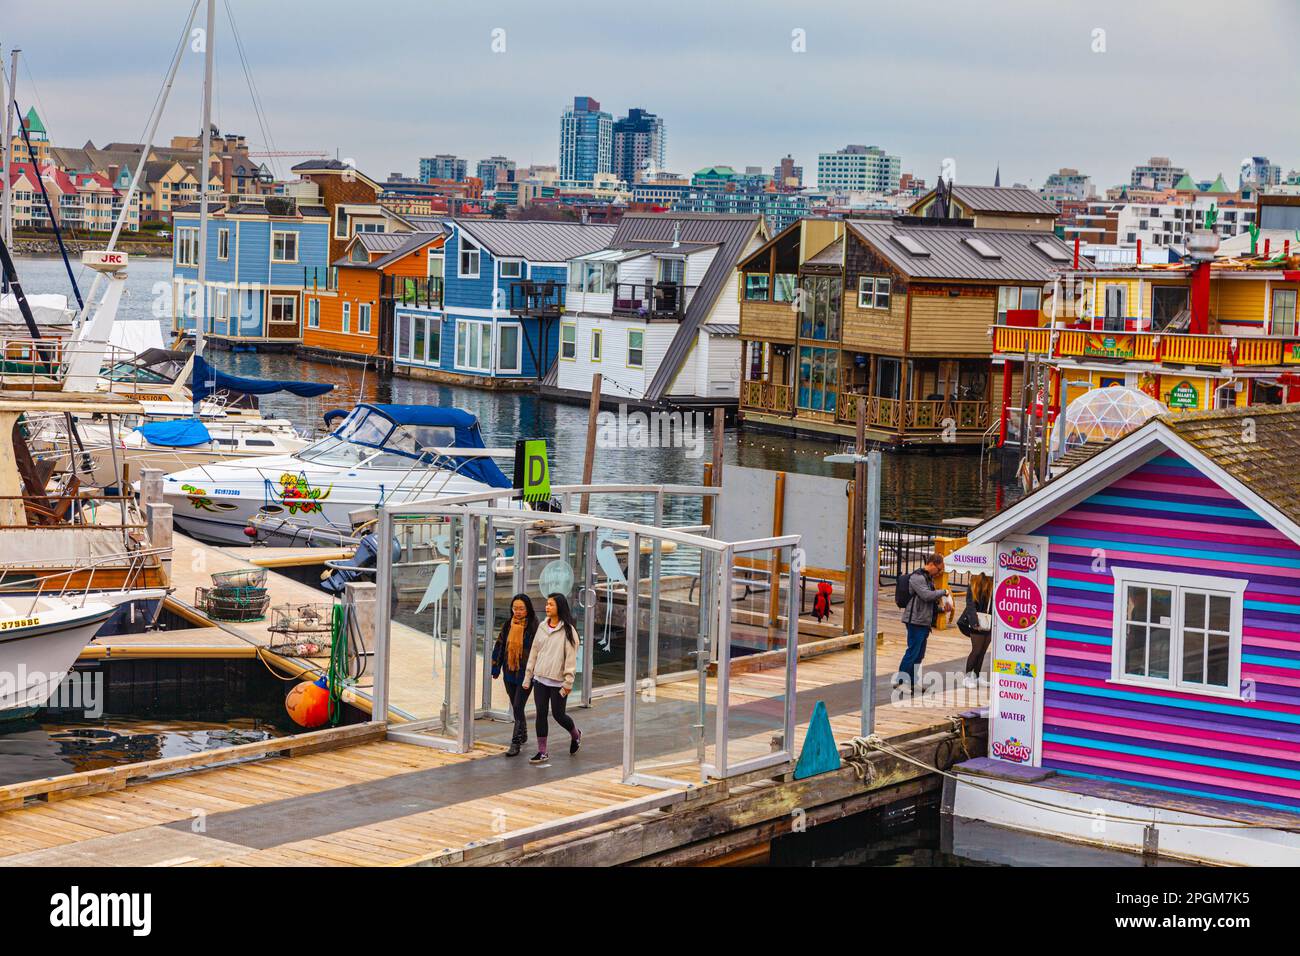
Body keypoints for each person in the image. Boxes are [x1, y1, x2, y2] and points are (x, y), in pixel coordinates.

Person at [521, 592, 581, 766]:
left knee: (558, 715)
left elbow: (571, 659)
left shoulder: (569, 631)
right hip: (540, 679)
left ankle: (575, 734)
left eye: (551, 604)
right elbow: (534, 652)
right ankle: (542, 752)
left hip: (558, 682)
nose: (547, 607)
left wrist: (568, 682)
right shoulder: (542, 627)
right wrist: (528, 677)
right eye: (547, 604)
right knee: (541, 714)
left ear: (559, 607)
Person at [490, 593, 538, 757]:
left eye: (521, 609)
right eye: (515, 608)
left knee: (518, 706)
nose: (517, 612)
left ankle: (515, 742)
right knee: (516, 706)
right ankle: (523, 733)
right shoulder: (507, 625)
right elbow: (500, 645)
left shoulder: (534, 627)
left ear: (528, 609)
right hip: (509, 672)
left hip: (526, 674)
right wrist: (495, 668)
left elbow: (538, 652)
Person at [896, 553, 951, 694]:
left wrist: (941, 609)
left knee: (919, 654)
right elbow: (926, 596)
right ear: (932, 564)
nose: (939, 573)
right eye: (939, 570)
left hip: (924, 621)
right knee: (912, 652)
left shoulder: (928, 579)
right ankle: (901, 682)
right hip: (914, 620)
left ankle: (913, 682)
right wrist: (943, 592)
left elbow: (929, 603)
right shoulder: (917, 577)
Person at [957, 573, 993, 689]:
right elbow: (970, 605)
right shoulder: (973, 583)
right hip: (977, 622)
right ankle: (967, 677)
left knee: (982, 651)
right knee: (976, 650)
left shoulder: (993, 582)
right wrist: (974, 622)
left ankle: (977, 676)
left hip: (989, 622)